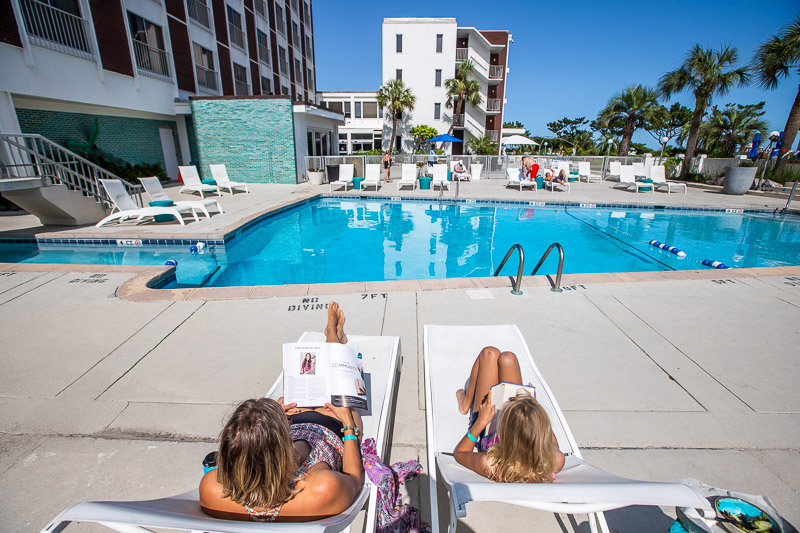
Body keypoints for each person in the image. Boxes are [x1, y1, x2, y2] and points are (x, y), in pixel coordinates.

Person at [200, 302, 363, 522]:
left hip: (291, 426)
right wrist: (349, 429)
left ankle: (332, 339)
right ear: (280, 452)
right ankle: (334, 341)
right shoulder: (322, 489)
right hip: (333, 426)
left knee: (303, 388)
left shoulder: (212, 489)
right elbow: (354, 478)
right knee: (335, 388)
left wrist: (275, 415)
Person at [454, 346, 565, 483]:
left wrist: (481, 422)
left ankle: (465, 403)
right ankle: (524, 409)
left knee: (489, 353)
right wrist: (532, 409)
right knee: (508, 358)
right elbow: (551, 441)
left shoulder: (494, 464)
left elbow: (460, 453)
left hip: (486, 427)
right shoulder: (553, 461)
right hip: (517, 421)